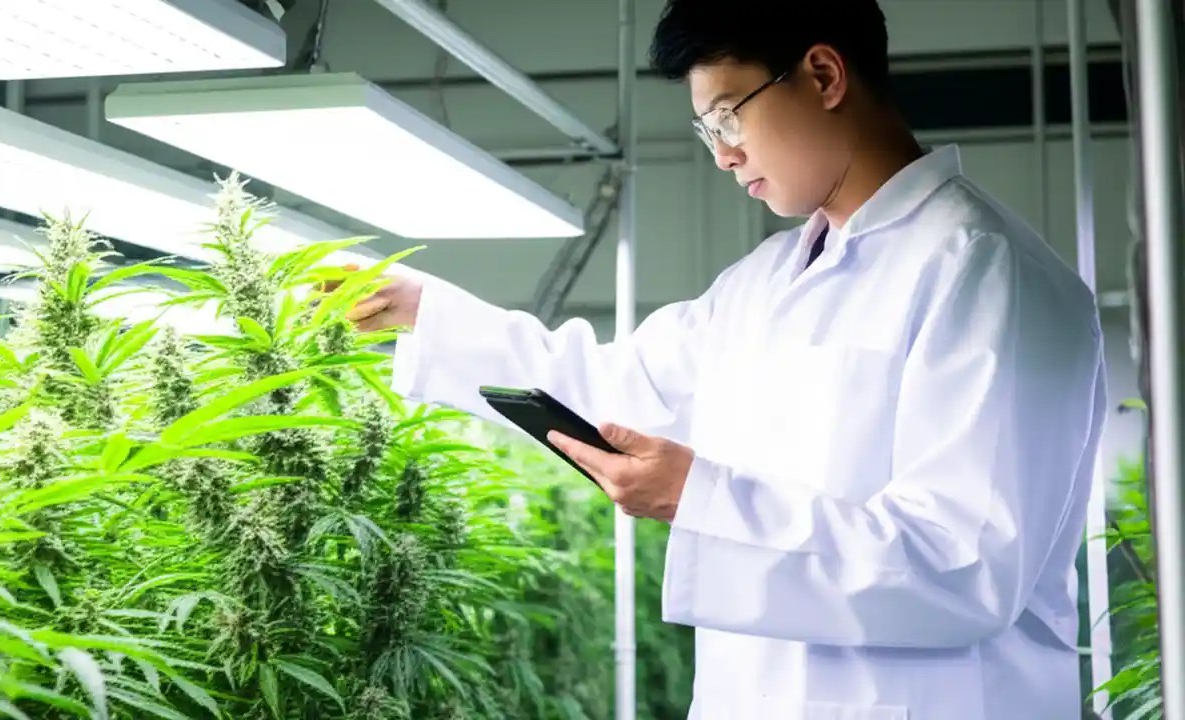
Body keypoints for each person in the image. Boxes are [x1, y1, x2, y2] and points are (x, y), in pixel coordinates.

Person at [339, 1, 1107, 717]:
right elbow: (615, 389)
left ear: (823, 75)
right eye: (708, 131)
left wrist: (698, 497)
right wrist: (418, 308)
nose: (724, 155)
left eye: (727, 117)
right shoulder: (763, 282)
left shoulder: (985, 270)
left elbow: (962, 564)